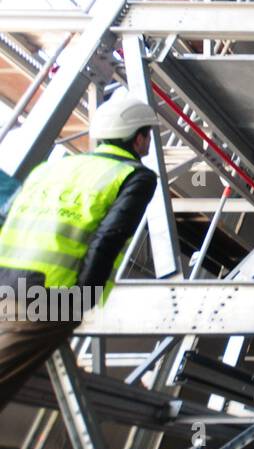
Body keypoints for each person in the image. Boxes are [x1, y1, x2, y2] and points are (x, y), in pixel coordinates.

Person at [0, 90, 159, 409]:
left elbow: (6, 216)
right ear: (138, 139)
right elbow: (109, 236)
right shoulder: (134, 176)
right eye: (148, 136)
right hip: (49, 298)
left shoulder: (49, 170)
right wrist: (82, 299)